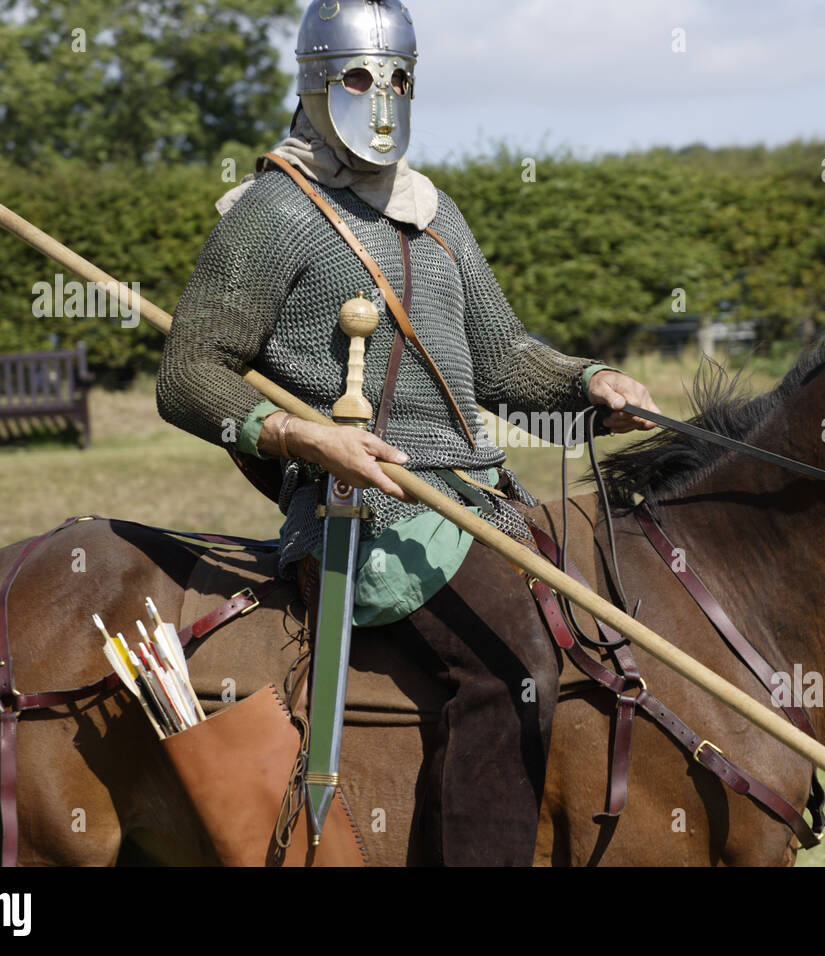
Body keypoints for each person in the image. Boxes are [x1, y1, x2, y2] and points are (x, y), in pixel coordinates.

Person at [156, 0, 660, 865]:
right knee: (515, 670)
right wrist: (305, 439)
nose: (379, 96)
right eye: (357, 77)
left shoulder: (432, 211)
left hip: (475, 495)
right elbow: (188, 374)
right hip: (360, 508)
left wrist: (587, 384)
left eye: (397, 78)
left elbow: (501, 361)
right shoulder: (271, 214)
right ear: (316, 83)